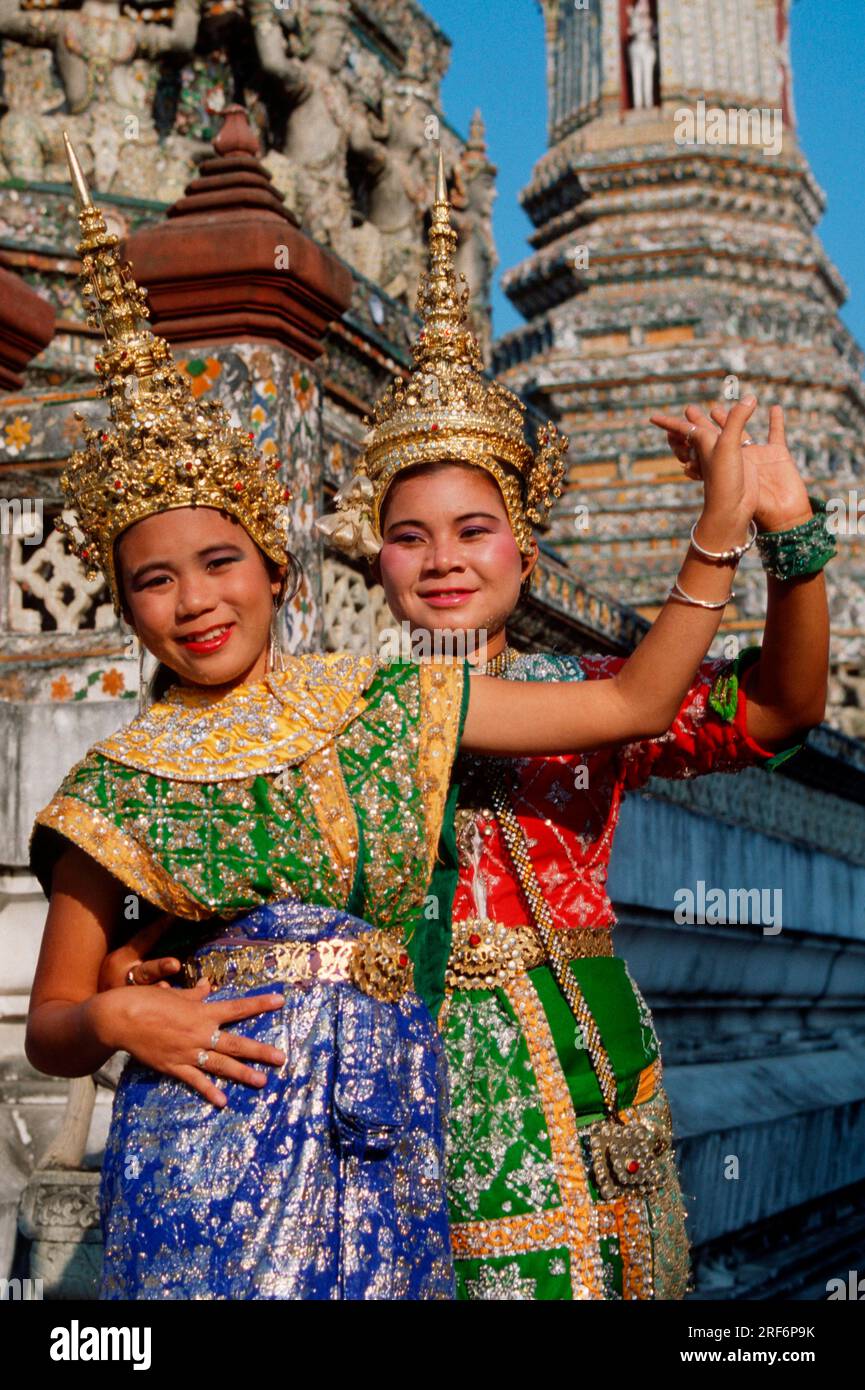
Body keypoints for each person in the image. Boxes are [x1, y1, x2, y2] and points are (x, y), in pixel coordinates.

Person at [27, 138, 791, 1300]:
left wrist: (754, 536)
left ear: (279, 571)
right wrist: (126, 1007)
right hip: (259, 1136)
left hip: (498, 1092)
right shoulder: (132, 779)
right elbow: (70, 1005)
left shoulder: (380, 703)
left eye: (221, 560)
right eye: (151, 580)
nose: (191, 600)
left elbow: (669, 700)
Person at [308, 161, 832, 1299]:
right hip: (416, 1077)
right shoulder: (341, 705)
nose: (444, 557)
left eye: (474, 529)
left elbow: (782, 710)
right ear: (376, 561)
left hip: (599, 1069)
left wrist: (792, 544)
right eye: (411, 536)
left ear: (523, 555)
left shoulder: (587, 685)